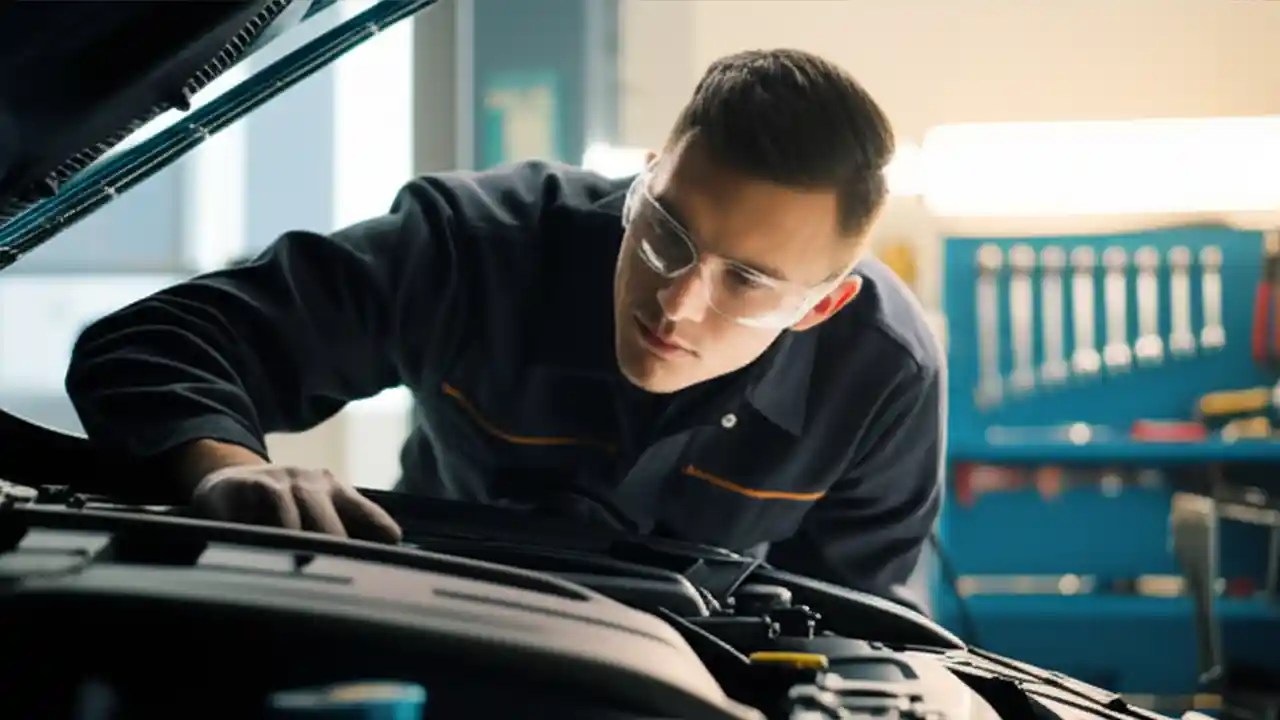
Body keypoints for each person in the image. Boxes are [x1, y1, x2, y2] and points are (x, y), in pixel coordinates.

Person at [65, 48, 945, 609]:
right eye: (666, 235)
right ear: (643, 182)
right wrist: (224, 469)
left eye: (747, 282)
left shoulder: (882, 373)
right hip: (441, 630)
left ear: (822, 304)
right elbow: (154, 342)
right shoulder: (473, 249)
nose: (677, 302)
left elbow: (856, 621)